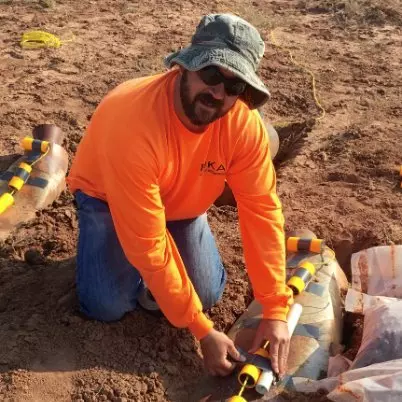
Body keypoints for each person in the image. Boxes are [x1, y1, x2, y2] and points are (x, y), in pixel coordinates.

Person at [67, 13, 293, 378]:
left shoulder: (244, 126)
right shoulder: (134, 124)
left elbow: (261, 211)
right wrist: (201, 330)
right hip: (108, 198)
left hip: (182, 204)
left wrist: (275, 309)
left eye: (234, 86)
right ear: (185, 66)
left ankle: (151, 266)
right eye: (212, 74)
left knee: (205, 295)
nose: (218, 93)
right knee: (107, 305)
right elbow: (149, 244)